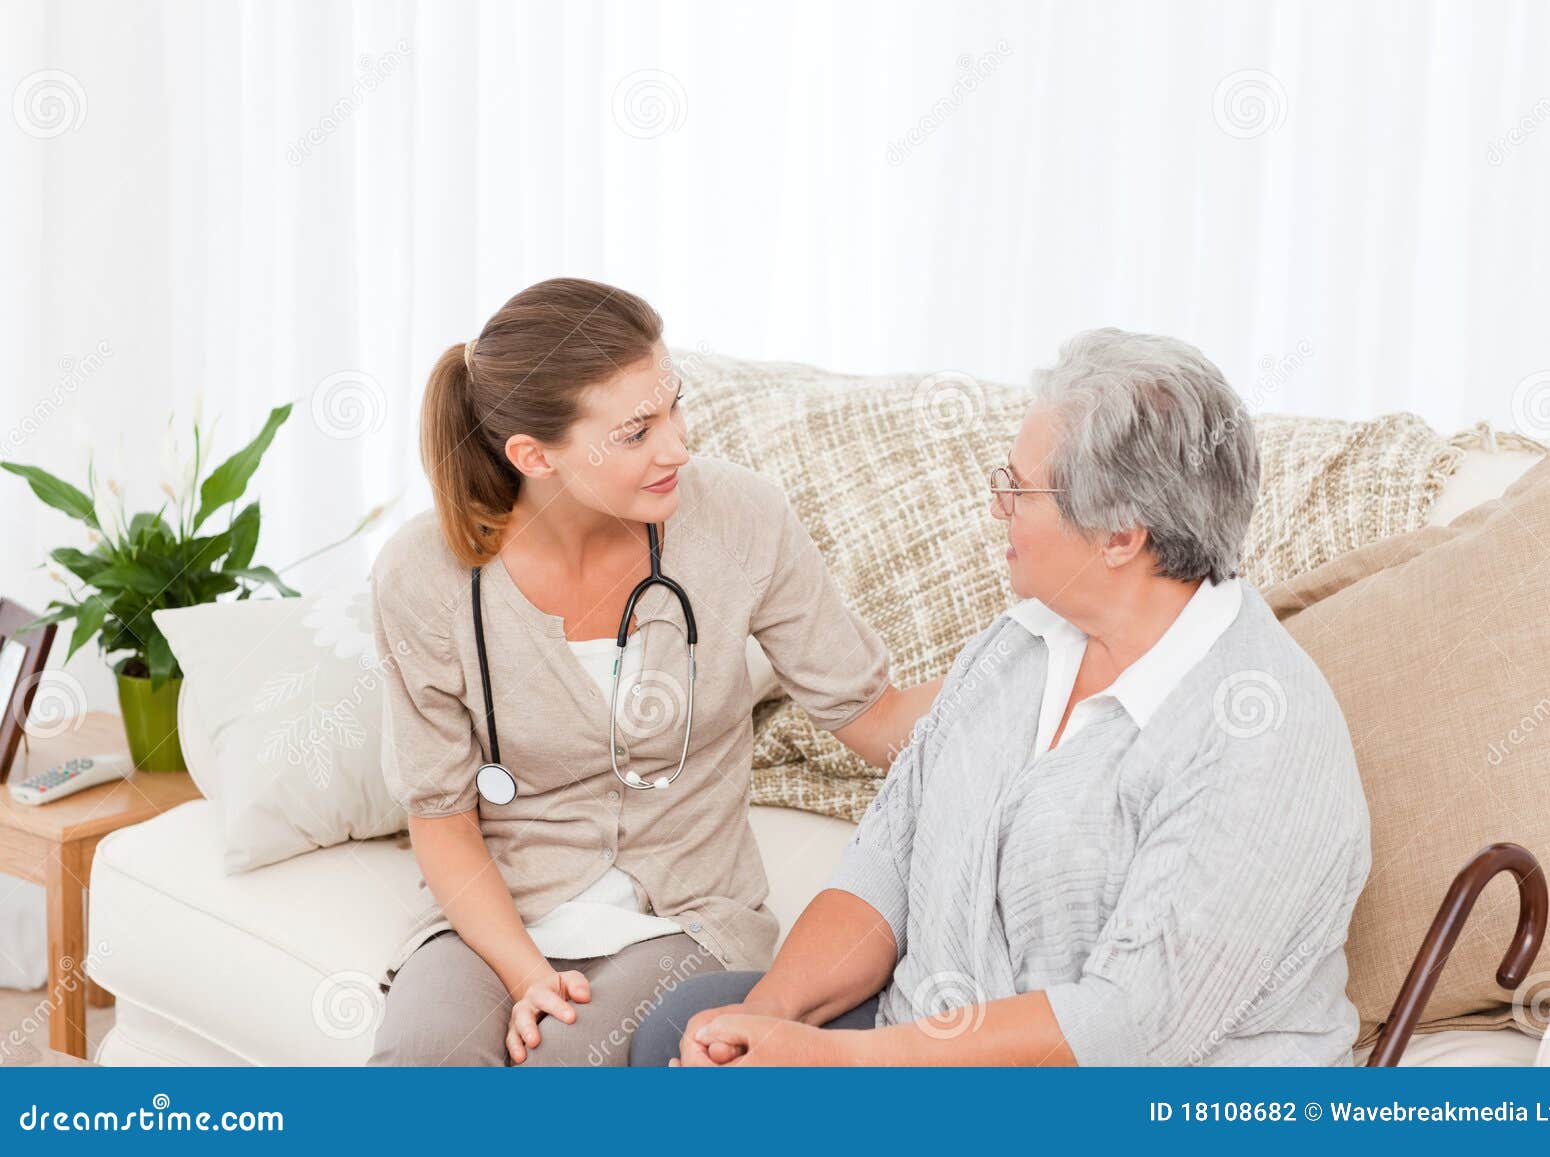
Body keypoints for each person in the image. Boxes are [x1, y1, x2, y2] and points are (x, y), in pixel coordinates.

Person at [631, 327, 1373, 1067]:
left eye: (1017, 488)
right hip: (934, 1046)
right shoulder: (1016, 647)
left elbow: (1126, 1027)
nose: (999, 507)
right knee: (689, 1027)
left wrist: (843, 1065)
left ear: (1119, 535)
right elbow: (885, 865)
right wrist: (765, 1019)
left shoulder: (1260, 734)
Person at [364, 277, 940, 1066]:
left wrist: (1036, 667)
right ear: (533, 455)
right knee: (423, 1064)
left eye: (674, 405)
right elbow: (441, 815)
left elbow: (873, 715)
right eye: (637, 431)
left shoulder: (741, 518)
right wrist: (525, 971)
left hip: (688, 915)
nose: (677, 445)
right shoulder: (423, 575)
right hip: (502, 911)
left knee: (566, 1070)